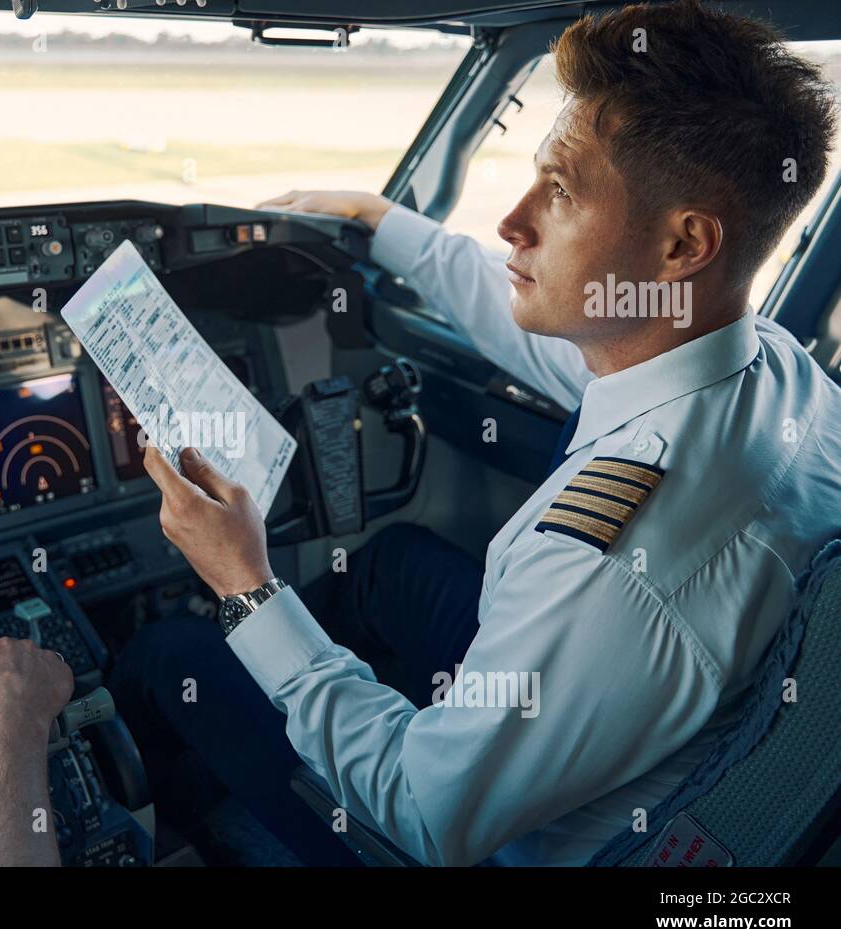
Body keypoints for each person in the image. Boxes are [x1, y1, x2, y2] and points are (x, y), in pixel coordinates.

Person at [101, 0, 841, 866]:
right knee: (389, 566)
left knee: (172, 649)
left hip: (462, 838)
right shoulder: (775, 369)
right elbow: (555, 328)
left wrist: (246, 582)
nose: (511, 221)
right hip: (628, 714)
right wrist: (390, 226)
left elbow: (423, 814)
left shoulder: (614, 568)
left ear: (683, 247)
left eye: (561, 192)